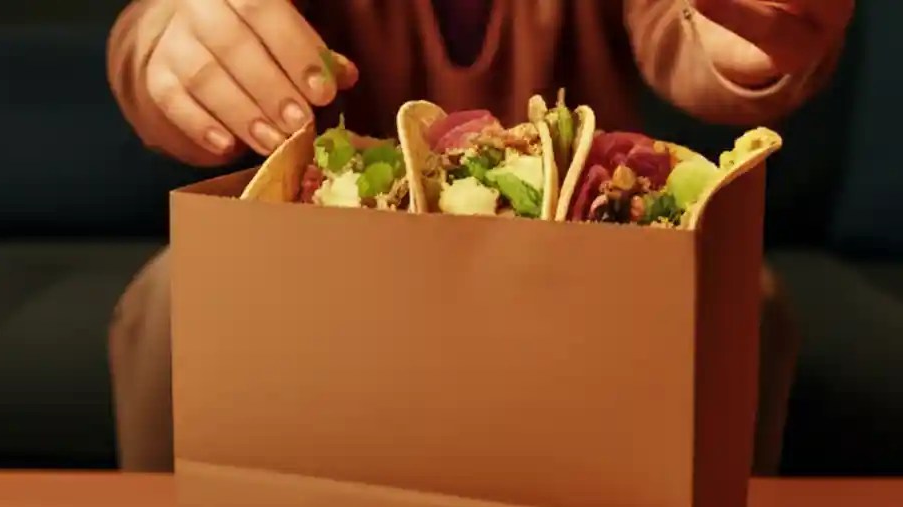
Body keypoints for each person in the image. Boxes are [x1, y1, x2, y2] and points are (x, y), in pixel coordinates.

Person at [106, 0, 854, 473]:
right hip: (336, 279)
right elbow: (155, 35)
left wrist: (747, 49)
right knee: (182, 295)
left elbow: (687, 35)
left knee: (737, 300)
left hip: (578, 280)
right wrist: (170, 45)